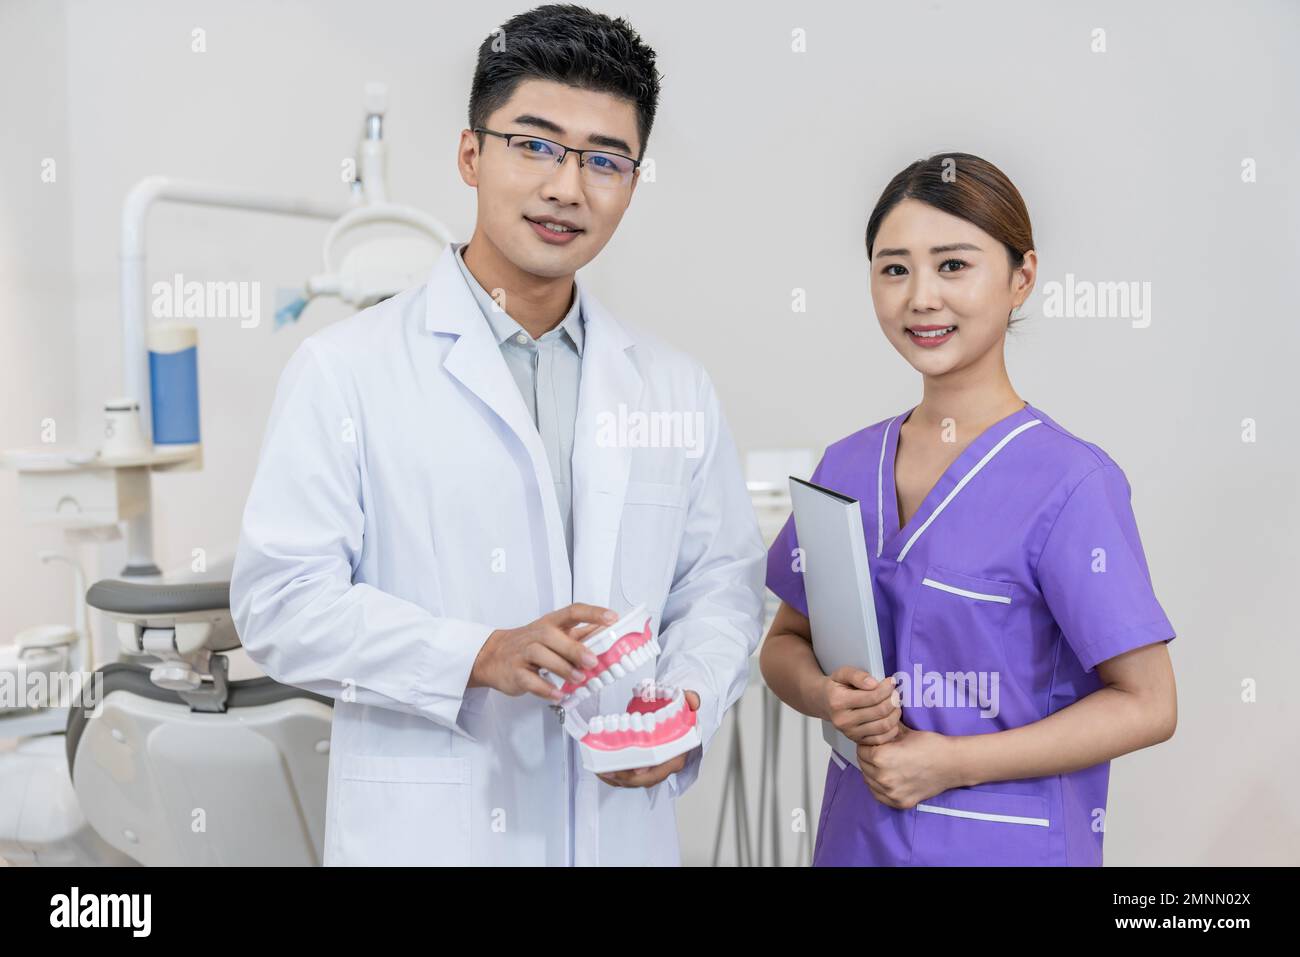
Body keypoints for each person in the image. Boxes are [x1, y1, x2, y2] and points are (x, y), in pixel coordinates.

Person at [230, 4, 765, 866]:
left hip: (617, 826)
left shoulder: (673, 386)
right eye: (536, 143)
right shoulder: (348, 370)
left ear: (633, 181)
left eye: (604, 160)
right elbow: (280, 601)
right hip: (433, 832)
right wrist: (475, 652)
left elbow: (722, 587)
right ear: (471, 154)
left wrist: (686, 702)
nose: (567, 186)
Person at [761, 152, 1177, 866]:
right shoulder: (847, 466)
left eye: (953, 265)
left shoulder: (1070, 482)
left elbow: (1148, 703)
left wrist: (952, 762)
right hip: (855, 843)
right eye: (894, 269)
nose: (920, 296)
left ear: (1022, 277)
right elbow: (782, 646)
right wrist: (827, 694)